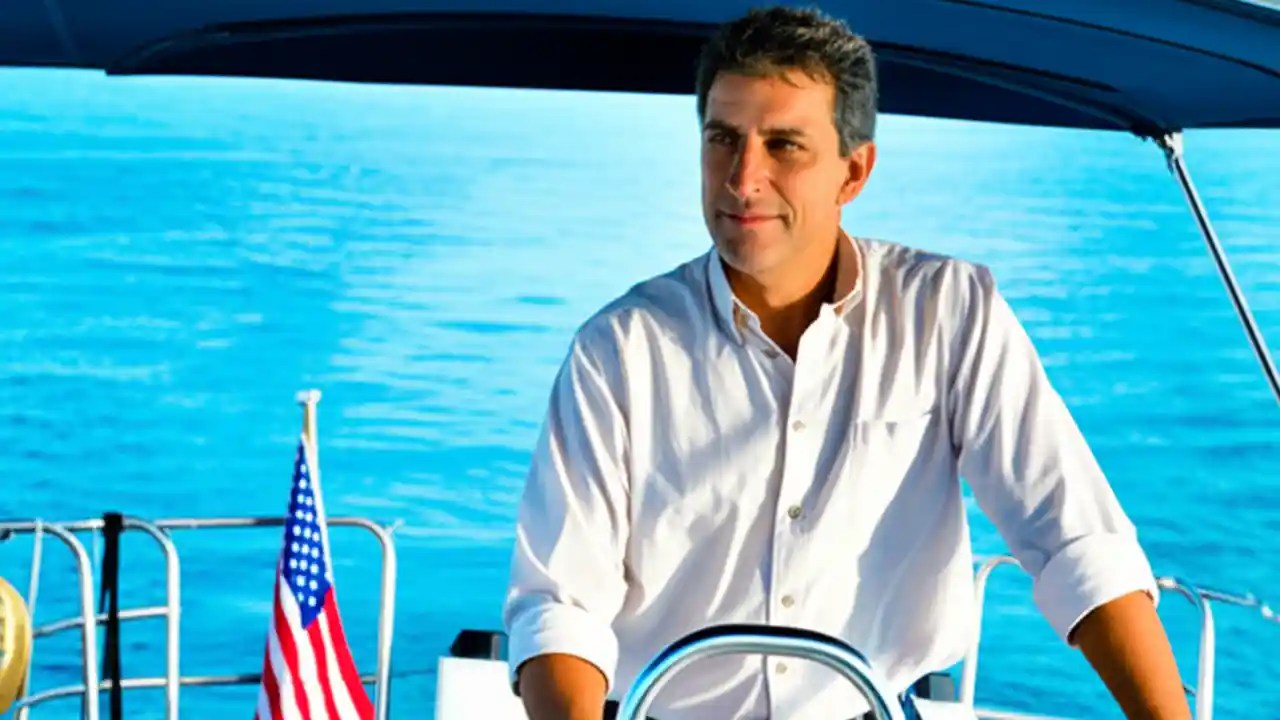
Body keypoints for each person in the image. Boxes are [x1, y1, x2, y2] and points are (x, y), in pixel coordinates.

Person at [502, 6, 1191, 719]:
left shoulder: (951, 313)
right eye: (723, 139)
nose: (743, 177)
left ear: (853, 171)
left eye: (784, 146)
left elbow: (1074, 539)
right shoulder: (617, 351)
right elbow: (561, 605)